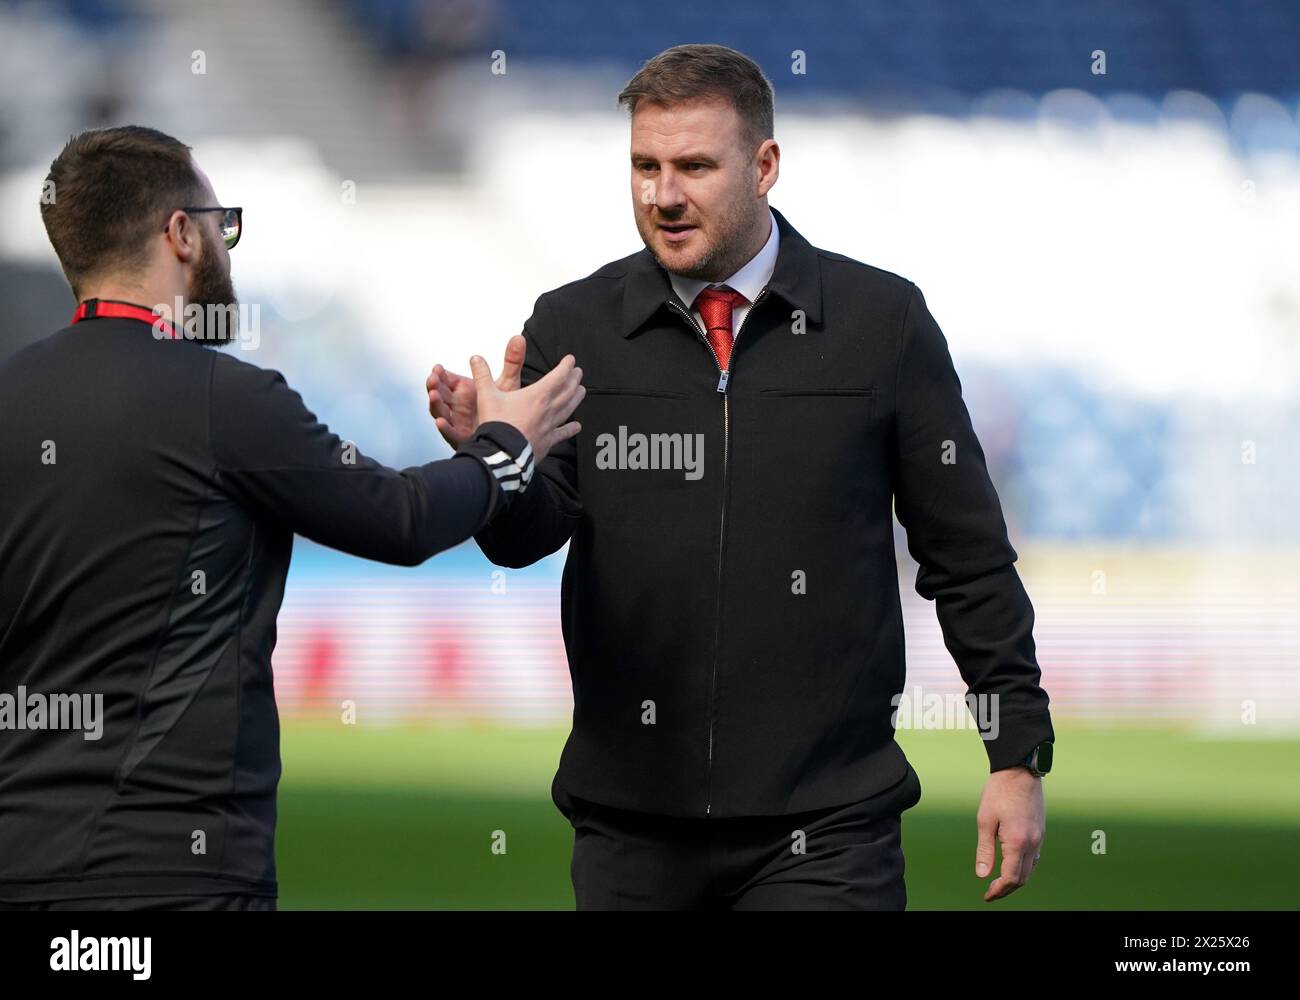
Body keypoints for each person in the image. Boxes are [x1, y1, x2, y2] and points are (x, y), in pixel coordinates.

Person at [427, 44, 1054, 910]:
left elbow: (967, 556)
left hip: (830, 829)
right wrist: (498, 458)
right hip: (629, 829)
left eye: (693, 166)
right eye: (644, 166)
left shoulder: (882, 323)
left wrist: (1014, 754)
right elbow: (526, 539)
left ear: (765, 167)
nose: (663, 194)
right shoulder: (573, 325)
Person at [0, 125, 584, 910]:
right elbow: (401, 520)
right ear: (180, 234)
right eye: (222, 226)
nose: (227, 248)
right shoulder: (223, 398)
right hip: (174, 869)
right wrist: (504, 448)